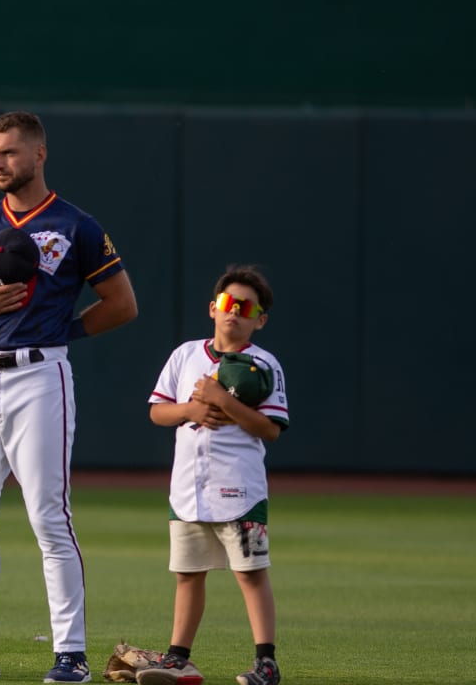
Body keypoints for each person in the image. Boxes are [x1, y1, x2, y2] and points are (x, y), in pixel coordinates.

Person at [0, 111, 138, 683]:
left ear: (40, 154)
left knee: (49, 516)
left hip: (40, 377)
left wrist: (63, 330)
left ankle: (71, 654)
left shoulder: (76, 224)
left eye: (10, 152)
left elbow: (122, 303)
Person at [139, 266, 288, 685]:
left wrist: (223, 400)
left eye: (246, 308)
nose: (234, 312)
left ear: (260, 319)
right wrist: (190, 409)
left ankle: (266, 662)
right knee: (188, 575)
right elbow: (157, 412)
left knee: (250, 573)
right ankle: (179, 658)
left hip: (240, 488)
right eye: (228, 303)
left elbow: (270, 429)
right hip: (188, 488)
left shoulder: (263, 364)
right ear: (213, 308)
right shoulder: (186, 355)